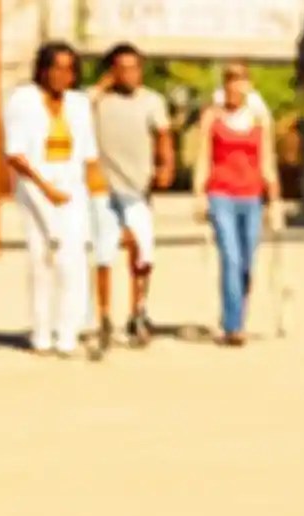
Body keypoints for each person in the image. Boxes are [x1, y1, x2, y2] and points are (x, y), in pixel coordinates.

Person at [3, 42, 104, 358]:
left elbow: (88, 152)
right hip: (36, 186)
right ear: (43, 70)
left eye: (69, 69)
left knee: (71, 260)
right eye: (55, 67)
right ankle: (42, 332)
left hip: (71, 187)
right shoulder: (23, 100)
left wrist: (96, 193)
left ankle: (68, 332)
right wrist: (45, 189)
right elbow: (16, 154)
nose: (62, 75)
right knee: (41, 260)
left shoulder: (79, 103)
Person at [87, 43, 176, 351]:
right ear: (112, 71)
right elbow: (77, 112)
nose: (130, 74)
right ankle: (103, 316)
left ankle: (138, 310)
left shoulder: (152, 101)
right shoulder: (97, 100)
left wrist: (166, 166)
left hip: (138, 188)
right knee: (104, 254)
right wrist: (101, 87)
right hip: (104, 188)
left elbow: (163, 136)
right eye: (122, 68)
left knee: (143, 252)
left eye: (135, 67)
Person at [192, 62, 283, 347]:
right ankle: (234, 325)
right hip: (222, 193)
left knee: (246, 262)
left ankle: (235, 311)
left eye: (240, 80)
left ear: (248, 85)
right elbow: (203, 155)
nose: (235, 86)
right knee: (230, 257)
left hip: (251, 194)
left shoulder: (258, 120)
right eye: (230, 81)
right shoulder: (213, 117)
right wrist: (199, 194)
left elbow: (267, 159)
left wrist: (275, 199)